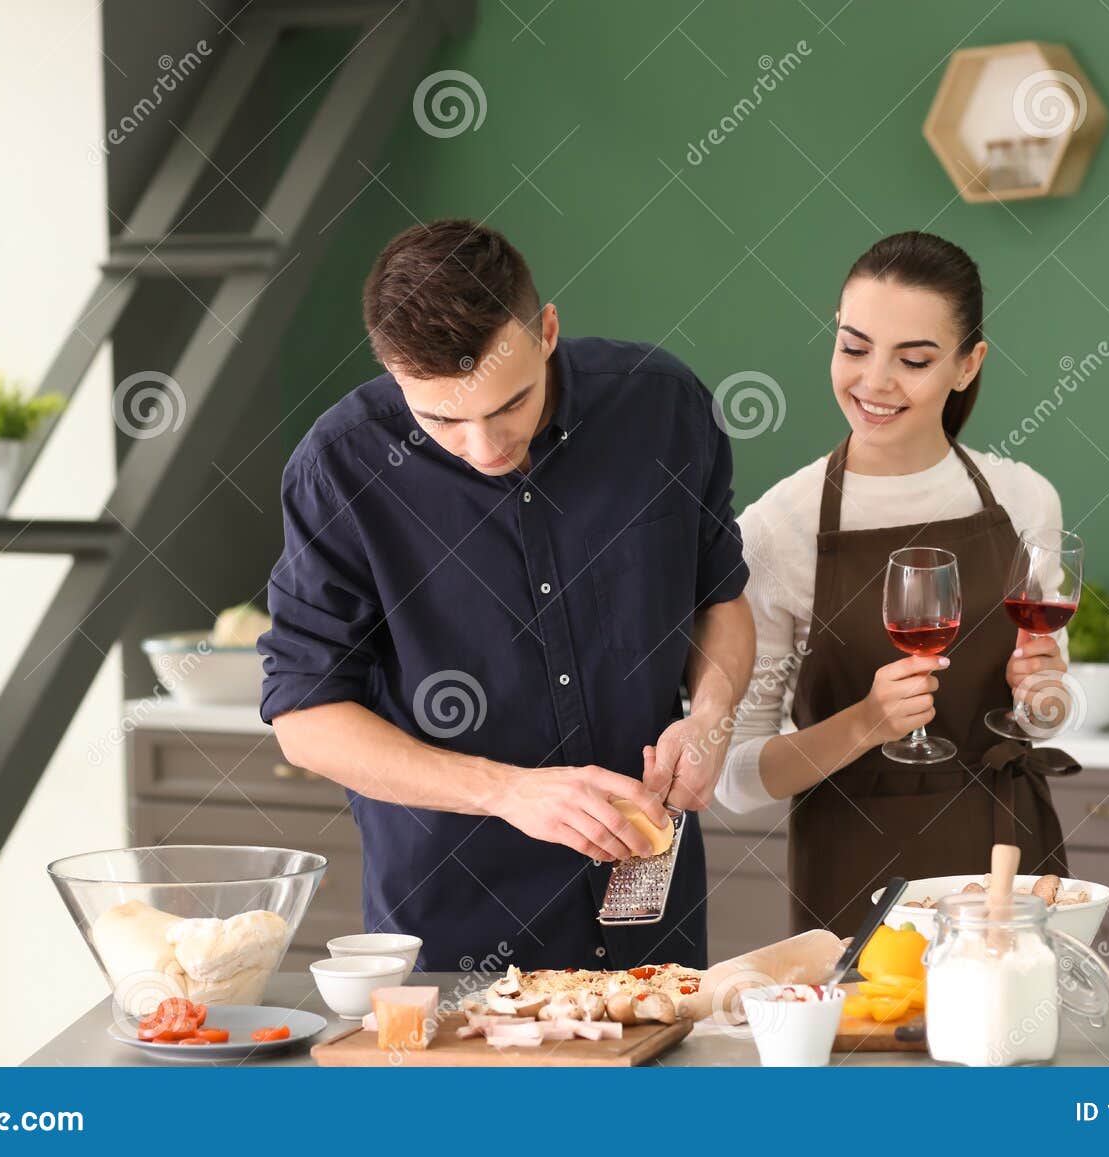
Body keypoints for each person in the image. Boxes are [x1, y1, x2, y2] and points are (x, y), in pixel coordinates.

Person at [259, 219, 755, 972]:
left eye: (509, 404)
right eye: (442, 419)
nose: (485, 447)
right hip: (452, 938)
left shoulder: (662, 408)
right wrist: (509, 792)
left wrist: (713, 716)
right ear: (393, 372)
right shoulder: (341, 467)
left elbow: (719, 598)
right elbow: (306, 718)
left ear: (547, 329)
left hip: (651, 929)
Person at [715, 231, 1078, 936]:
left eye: (912, 359)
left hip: (1009, 865)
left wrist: (1045, 693)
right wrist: (866, 725)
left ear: (968, 365)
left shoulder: (1024, 501)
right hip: (858, 875)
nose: (874, 382)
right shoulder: (776, 530)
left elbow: (1045, 712)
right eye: (854, 348)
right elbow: (735, 781)